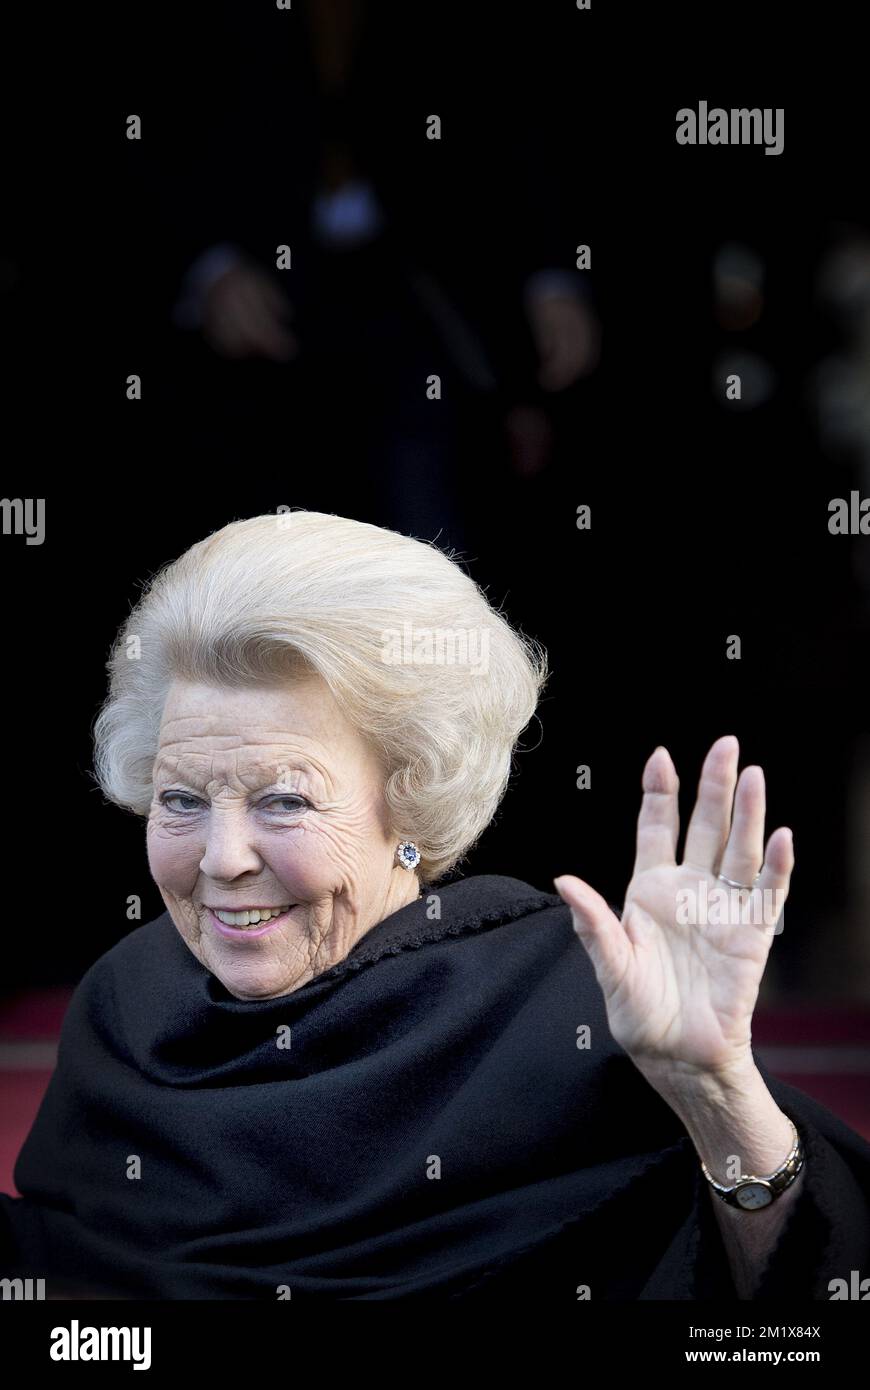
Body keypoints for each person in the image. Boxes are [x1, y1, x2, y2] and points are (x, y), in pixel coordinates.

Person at [1, 510, 868, 1300]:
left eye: (285, 801)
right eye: (183, 799)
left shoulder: (581, 1001)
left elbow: (789, 1321)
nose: (223, 861)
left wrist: (717, 1094)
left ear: (410, 806)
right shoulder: (128, 1003)